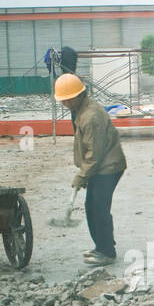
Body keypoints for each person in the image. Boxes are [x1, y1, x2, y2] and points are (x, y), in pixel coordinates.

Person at [54, 72, 126, 266]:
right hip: (100, 165)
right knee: (91, 206)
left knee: (99, 208)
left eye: (68, 100)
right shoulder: (81, 109)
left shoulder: (90, 117)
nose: (65, 104)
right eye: (63, 101)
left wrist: (82, 176)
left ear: (79, 95)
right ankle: (102, 246)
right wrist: (85, 174)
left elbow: (94, 154)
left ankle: (107, 252)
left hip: (108, 166)